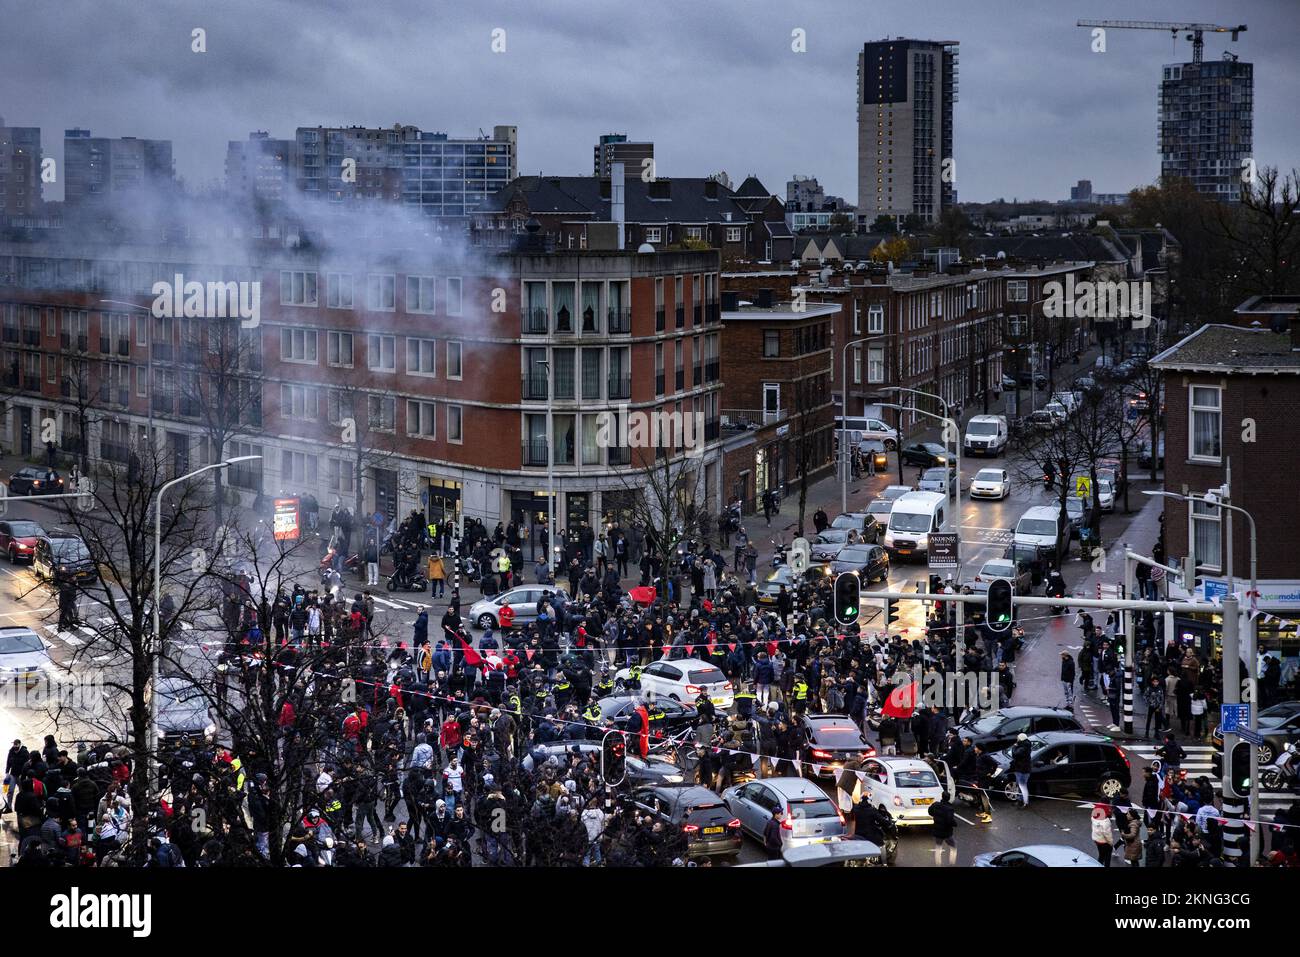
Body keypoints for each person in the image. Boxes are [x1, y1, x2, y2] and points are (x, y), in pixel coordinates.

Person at [928, 792, 957, 865]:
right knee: (953, 847)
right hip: (946, 833)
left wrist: (936, 815)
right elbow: (949, 821)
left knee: (938, 847)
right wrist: (955, 824)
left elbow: (930, 811)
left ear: (942, 796)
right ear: (949, 798)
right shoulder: (949, 808)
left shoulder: (936, 805)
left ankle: (938, 864)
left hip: (937, 831)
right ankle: (952, 863)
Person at [1009, 733, 1032, 807]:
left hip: (1021, 770)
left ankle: (1024, 802)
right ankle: (1021, 800)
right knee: (1021, 786)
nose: (1017, 739)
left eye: (1018, 738)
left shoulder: (1022, 748)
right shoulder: (1026, 745)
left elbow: (1015, 754)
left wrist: (1014, 747)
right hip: (1023, 769)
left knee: (1022, 786)